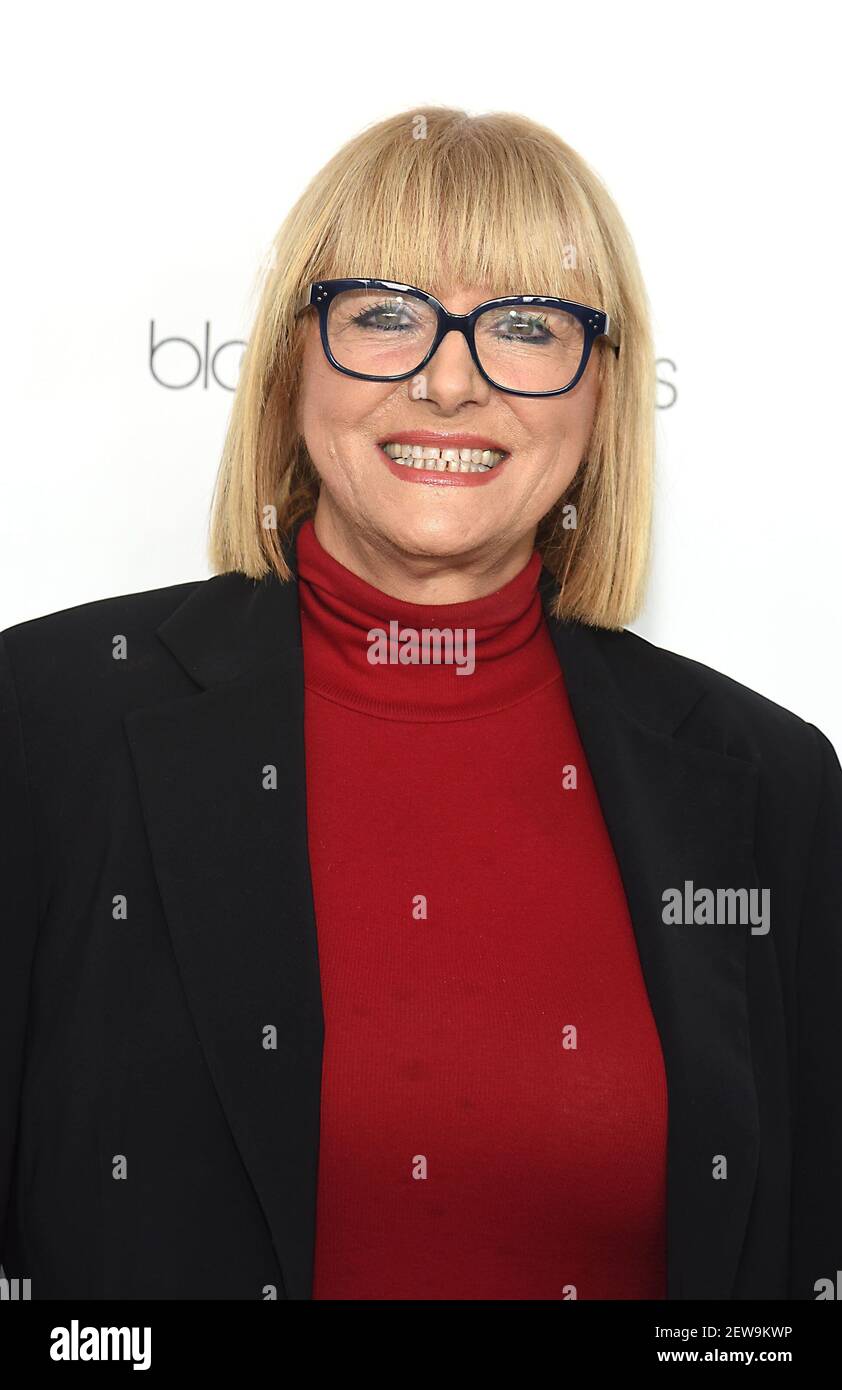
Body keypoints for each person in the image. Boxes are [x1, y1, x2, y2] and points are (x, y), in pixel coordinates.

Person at [0, 107, 839, 1301]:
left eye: (527, 327)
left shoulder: (770, 784)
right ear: (291, 363)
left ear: (602, 392)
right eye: (385, 314)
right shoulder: (43, 726)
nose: (448, 381)